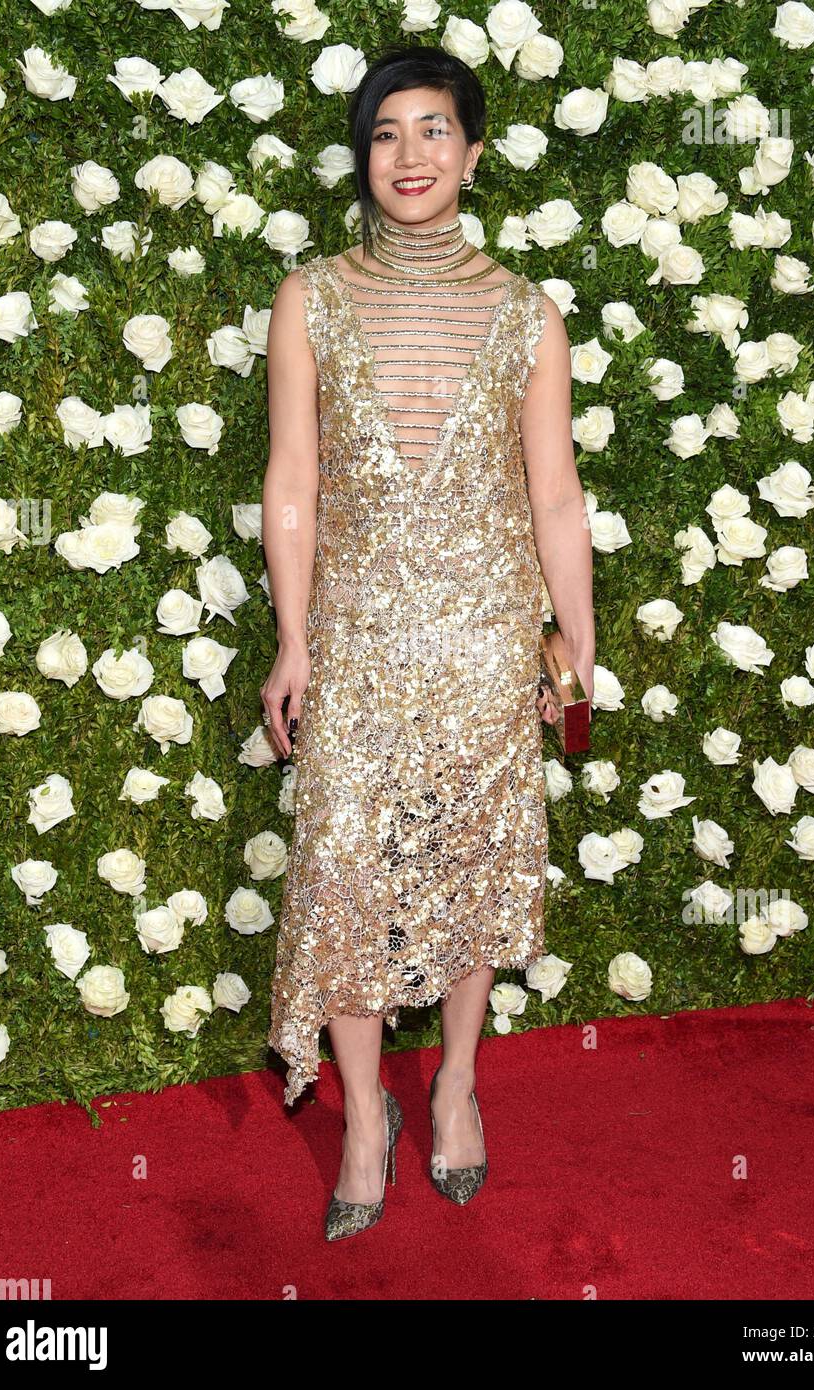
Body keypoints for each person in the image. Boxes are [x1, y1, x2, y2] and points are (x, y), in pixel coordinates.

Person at [260, 42, 594, 1240]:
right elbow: (290, 480)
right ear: (363, 155)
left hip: (481, 639)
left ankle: (451, 1084)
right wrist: (292, 640)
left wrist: (578, 647)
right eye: (386, 132)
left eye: (433, 130)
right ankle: (363, 1113)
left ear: (473, 149)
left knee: (469, 872)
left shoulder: (522, 309)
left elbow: (553, 494)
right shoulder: (310, 296)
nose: (410, 154)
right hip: (351, 641)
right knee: (343, 876)